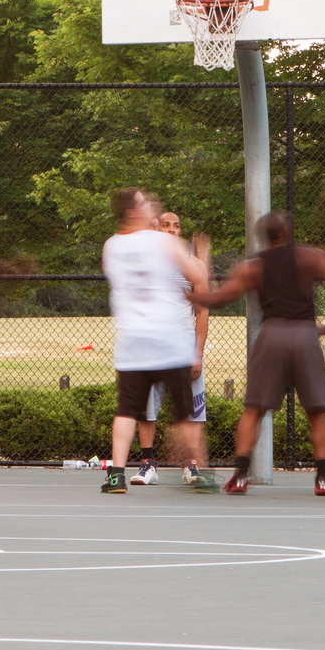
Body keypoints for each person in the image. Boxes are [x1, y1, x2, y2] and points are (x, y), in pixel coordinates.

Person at [187, 211, 325, 496]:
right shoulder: (311, 257)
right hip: (305, 334)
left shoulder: (253, 267)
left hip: (272, 335)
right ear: (287, 232)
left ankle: (240, 476)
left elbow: (221, 298)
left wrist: (192, 295)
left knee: (254, 409)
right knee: (317, 412)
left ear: (264, 236)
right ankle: (323, 478)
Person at [100, 188, 213, 495]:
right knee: (184, 412)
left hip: (132, 345)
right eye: (144, 203)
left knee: (126, 411)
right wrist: (201, 261)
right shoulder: (164, 242)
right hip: (168, 342)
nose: (150, 205)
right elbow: (197, 276)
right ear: (133, 213)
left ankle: (117, 476)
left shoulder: (111, 246)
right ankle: (196, 467)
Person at [130, 209, 211, 487]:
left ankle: (191, 464)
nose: (171, 229)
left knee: (192, 408)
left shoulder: (192, 265)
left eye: (176, 226)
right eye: (165, 225)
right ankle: (148, 464)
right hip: (152, 346)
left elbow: (202, 312)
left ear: (180, 232)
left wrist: (197, 353)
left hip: (184, 345)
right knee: (147, 407)